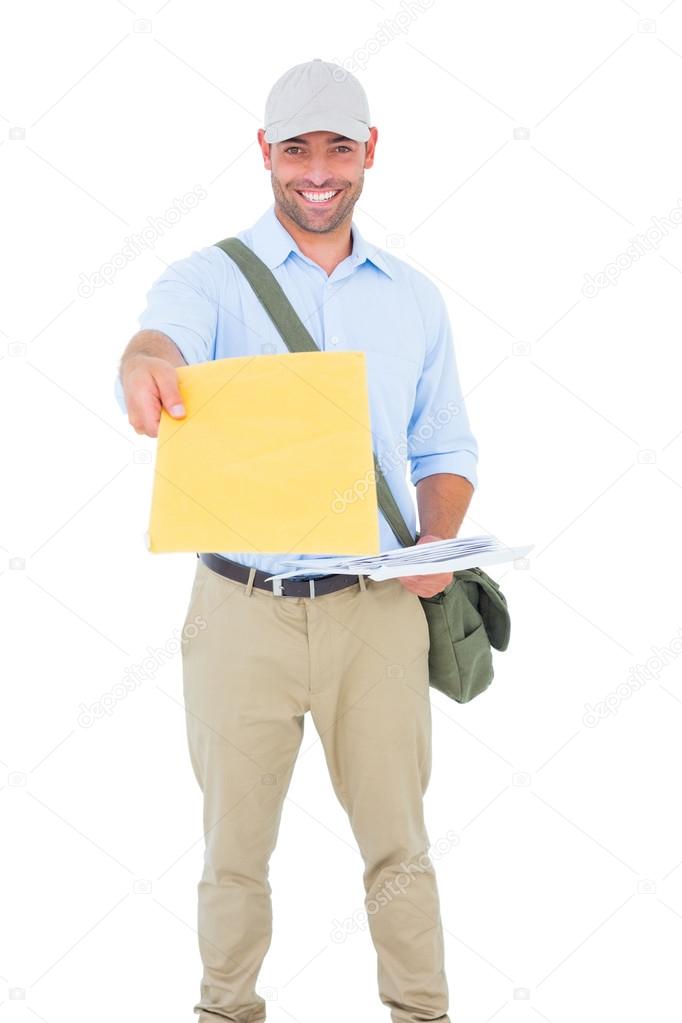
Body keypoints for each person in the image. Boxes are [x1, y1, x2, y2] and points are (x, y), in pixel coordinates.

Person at [116, 58, 478, 1023]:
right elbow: (161, 341)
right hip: (239, 613)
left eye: (338, 148)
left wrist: (435, 538)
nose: (317, 171)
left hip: (378, 610)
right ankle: (225, 1012)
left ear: (370, 153)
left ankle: (421, 1012)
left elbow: (443, 444)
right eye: (296, 149)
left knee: (400, 848)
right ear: (264, 153)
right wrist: (142, 365)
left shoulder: (414, 298)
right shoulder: (209, 281)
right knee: (234, 851)